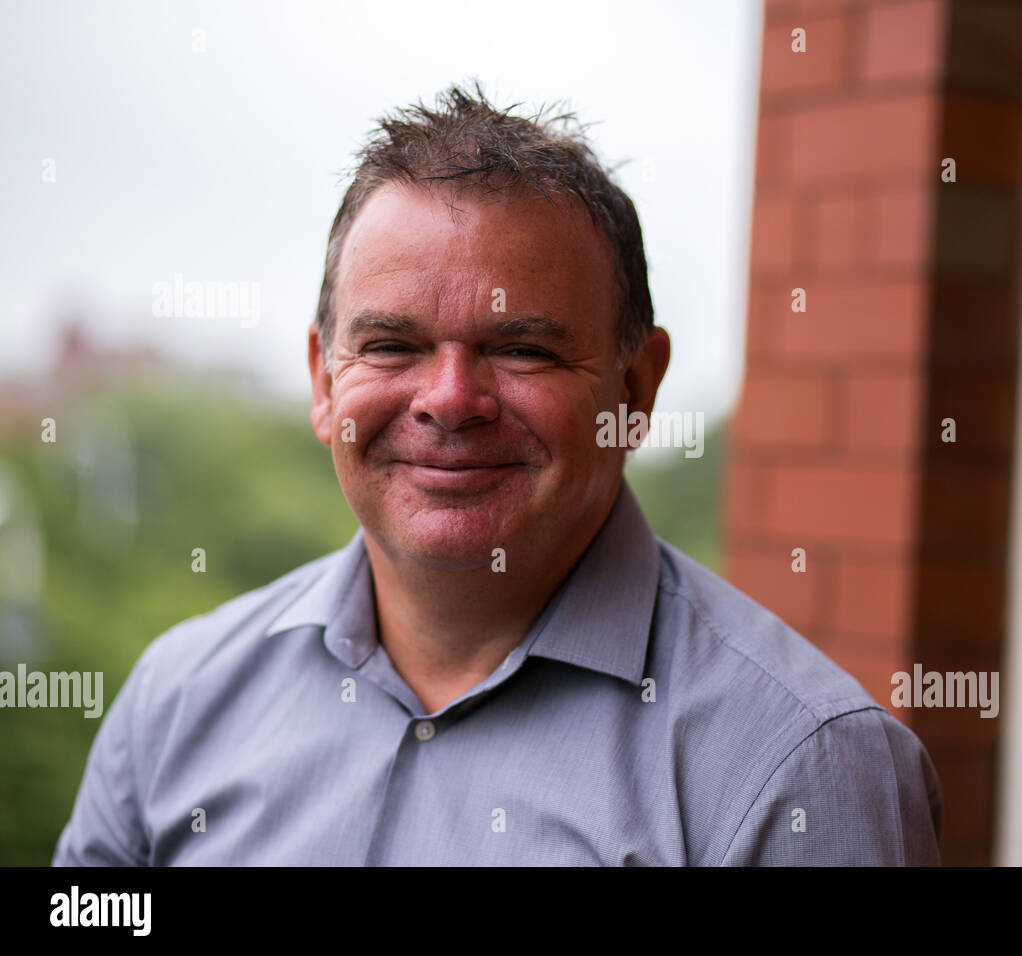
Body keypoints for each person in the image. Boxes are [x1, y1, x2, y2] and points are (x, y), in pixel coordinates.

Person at [53, 84, 942, 866]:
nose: (450, 400)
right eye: (392, 345)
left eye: (521, 348)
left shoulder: (804, 768)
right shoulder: (175, 703)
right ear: (325, 383)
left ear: (635, 389)